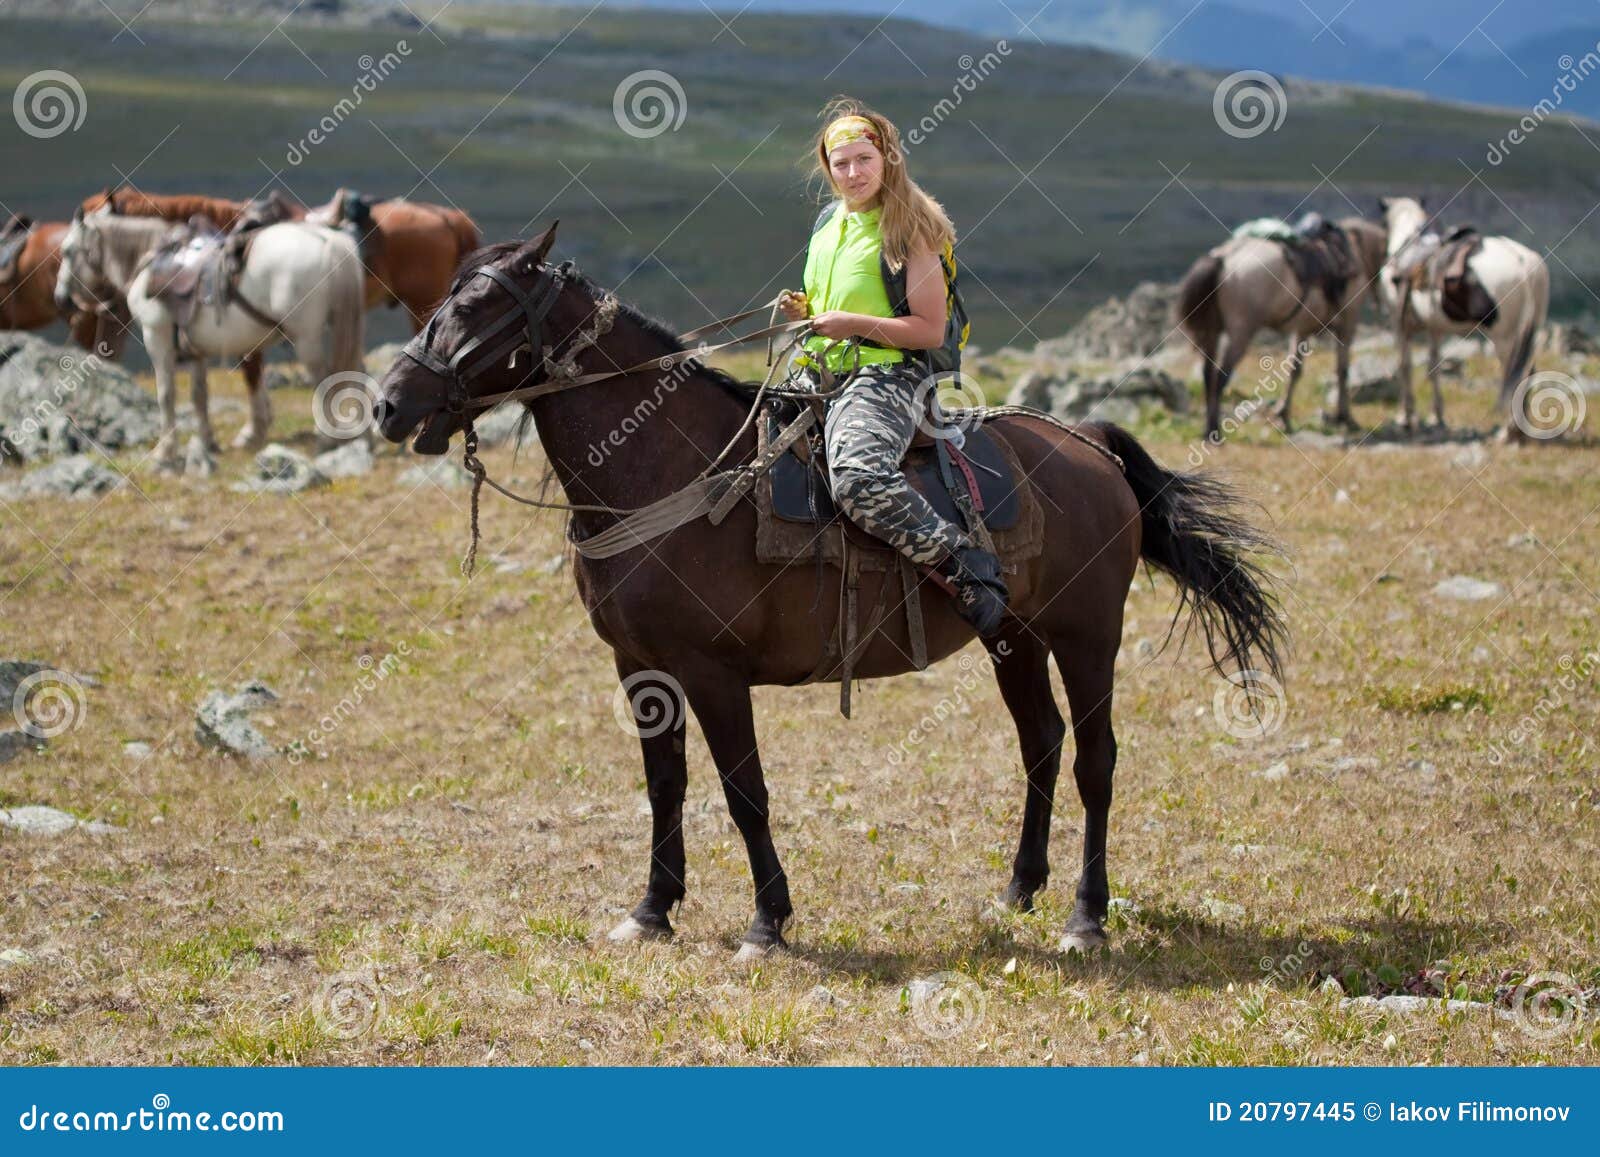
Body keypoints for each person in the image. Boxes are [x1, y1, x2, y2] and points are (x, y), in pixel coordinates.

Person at [777, 99, 1008, 636]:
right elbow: (839, 304)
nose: (853, 173)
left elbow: (928, 328)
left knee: (859, 477)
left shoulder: (911, 227)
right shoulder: (827, 222)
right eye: (841, 164)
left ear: (887, 159)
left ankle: (965, 565)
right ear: (827, 168)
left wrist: (851, 323)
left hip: (890, 375)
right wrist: (806, 314)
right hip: (818, 370)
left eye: (864, 159)